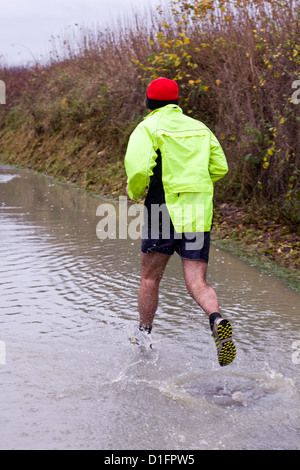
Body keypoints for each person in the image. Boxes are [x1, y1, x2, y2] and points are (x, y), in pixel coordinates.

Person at [124, 77, 236, 366]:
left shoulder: (148, 127)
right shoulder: (200, 128)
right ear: (176, 101)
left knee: (150, 278)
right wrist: (194, 186)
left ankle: (144, 336)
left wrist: (135, 193)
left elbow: (137, 169)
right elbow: (219, 167)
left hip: (162, 211)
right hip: (197, 214)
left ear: (149, 102)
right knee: (197, 282)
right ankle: (217, 318)